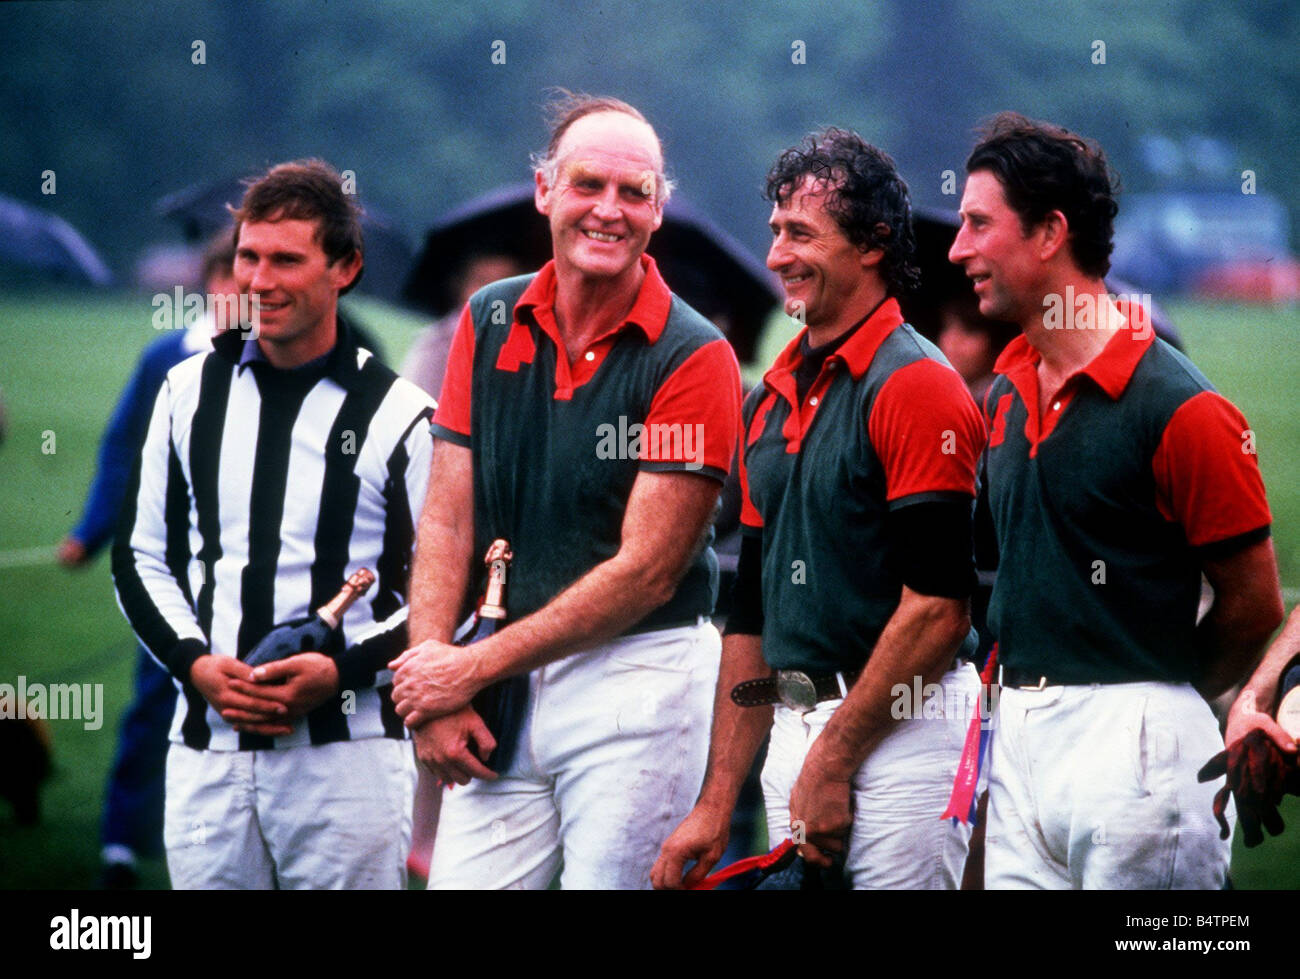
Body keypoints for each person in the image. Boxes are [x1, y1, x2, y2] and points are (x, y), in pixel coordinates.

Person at [388, 93, 742, 890]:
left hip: (635, 677)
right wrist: (430, 677)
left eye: (634, 192)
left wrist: (465, 669)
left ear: (660, 211)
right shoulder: (487, 317)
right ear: (544, 191)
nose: (609, 211)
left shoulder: (697, 356)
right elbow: (446, 520)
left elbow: (647, 572)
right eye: (588, 185)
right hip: (497, 672)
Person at [948, 112, 1283, 889]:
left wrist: (1148, 699)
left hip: (1136, 750)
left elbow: (1254, 604)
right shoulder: (1007, 390)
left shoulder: (1183, 409)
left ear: (1048, 233)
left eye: (977, 223)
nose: (959, 248)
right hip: (1020, 744)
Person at [652, 128, 985, 890]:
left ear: (871, 245)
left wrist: (832, 757)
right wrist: (716, 802)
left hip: (904, 732)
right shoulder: (772, 395)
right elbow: (751, 614)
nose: (775, 256)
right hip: (796, 728)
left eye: (800, 233)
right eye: (775, 232)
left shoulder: (916, 384)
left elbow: (939, 608)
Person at [112, 159, 432, 889]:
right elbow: (139, 555)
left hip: (347, 757)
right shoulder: (186, 390)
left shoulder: (401, 413)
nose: (260, 280)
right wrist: (194, 662)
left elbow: (444, 586)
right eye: (248, 257)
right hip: (207, 749)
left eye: (287, 259)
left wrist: (342, 669)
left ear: (344, 267)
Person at [59, 234, 238, 888]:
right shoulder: (168, 356)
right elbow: (121, 449)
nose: (239, 290)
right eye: (230, 273)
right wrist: (90, 531)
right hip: (174, 568)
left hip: (254, 573)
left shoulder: (277, 362)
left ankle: (227, 843)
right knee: (156, 698)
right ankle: (122, 839)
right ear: (208, 282)